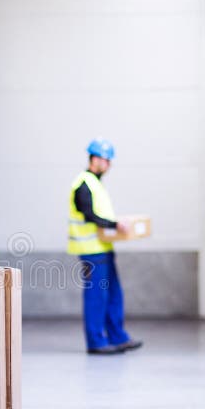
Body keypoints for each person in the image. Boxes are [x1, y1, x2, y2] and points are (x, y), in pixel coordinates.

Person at [67, 137, 142, 355]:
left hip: (104, 249)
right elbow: (90, 215)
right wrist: (115, 224)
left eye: (110, 161)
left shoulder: (96, 184)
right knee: (97, 297)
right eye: (105, 160)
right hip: (91, 252)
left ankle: (117, 336)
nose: (108, 165)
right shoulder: (83, 184)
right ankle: (96, 342)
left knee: (113, 295)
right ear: (94, 159)